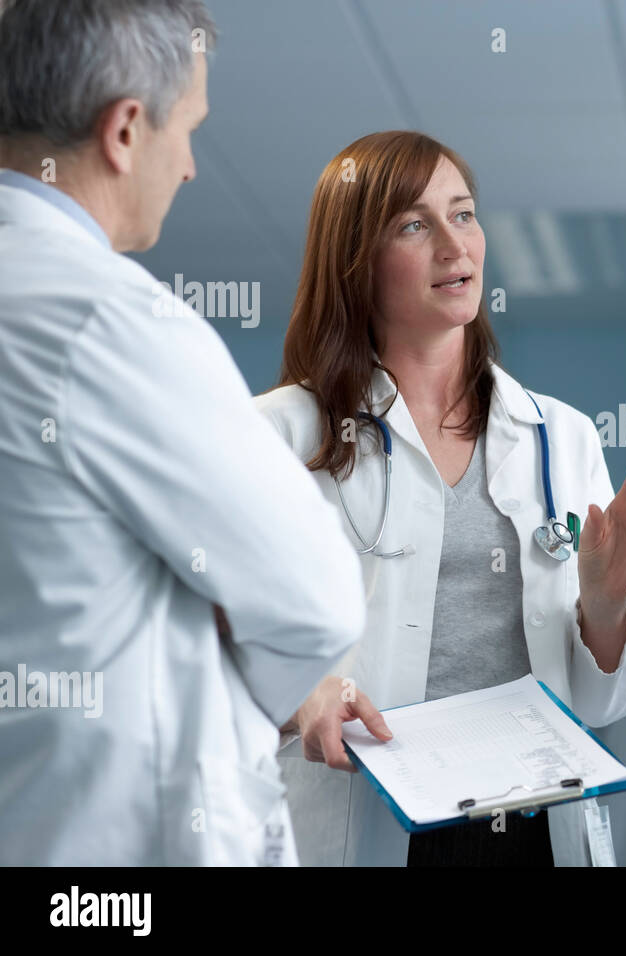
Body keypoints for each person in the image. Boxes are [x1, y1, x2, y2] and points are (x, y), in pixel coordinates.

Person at [255, 130, 626, 866]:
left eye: (463, 214)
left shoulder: (562, 437)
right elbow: (212, 641)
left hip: (536, 836)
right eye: (414, 224)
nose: (454, 246)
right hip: (367, 827)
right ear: (355, 262)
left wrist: (607, 604)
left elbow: (601, 704)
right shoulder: (280, 436)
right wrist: (303, 695)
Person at [0, 0, 366, 865]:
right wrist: (277, 683)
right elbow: (316, 601)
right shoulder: (104, 317)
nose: (193, 167)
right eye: (189, 127)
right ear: (125, 130)